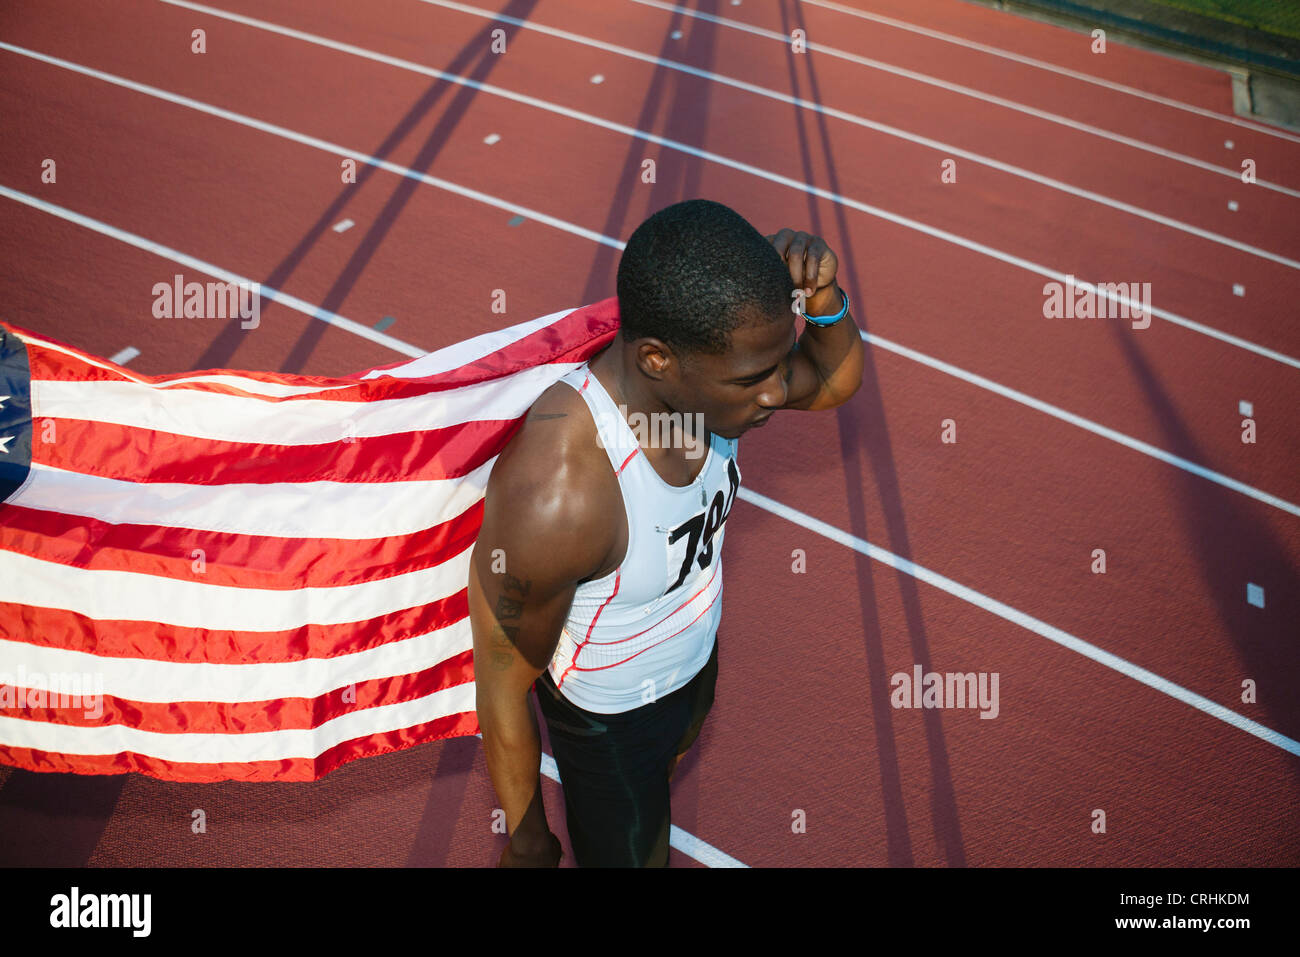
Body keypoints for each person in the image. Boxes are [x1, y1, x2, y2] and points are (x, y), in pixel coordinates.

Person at [467, 198, 864, 866]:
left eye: (776, 364)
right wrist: (528, 837)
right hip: (609, 724)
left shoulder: (712, 375)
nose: (776, 393)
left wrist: (823, 301)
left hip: (693, 660)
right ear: (656, 358)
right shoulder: (562, 494)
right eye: (755, 378)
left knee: (677, 749)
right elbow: (503, 678)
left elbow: (829, 377)